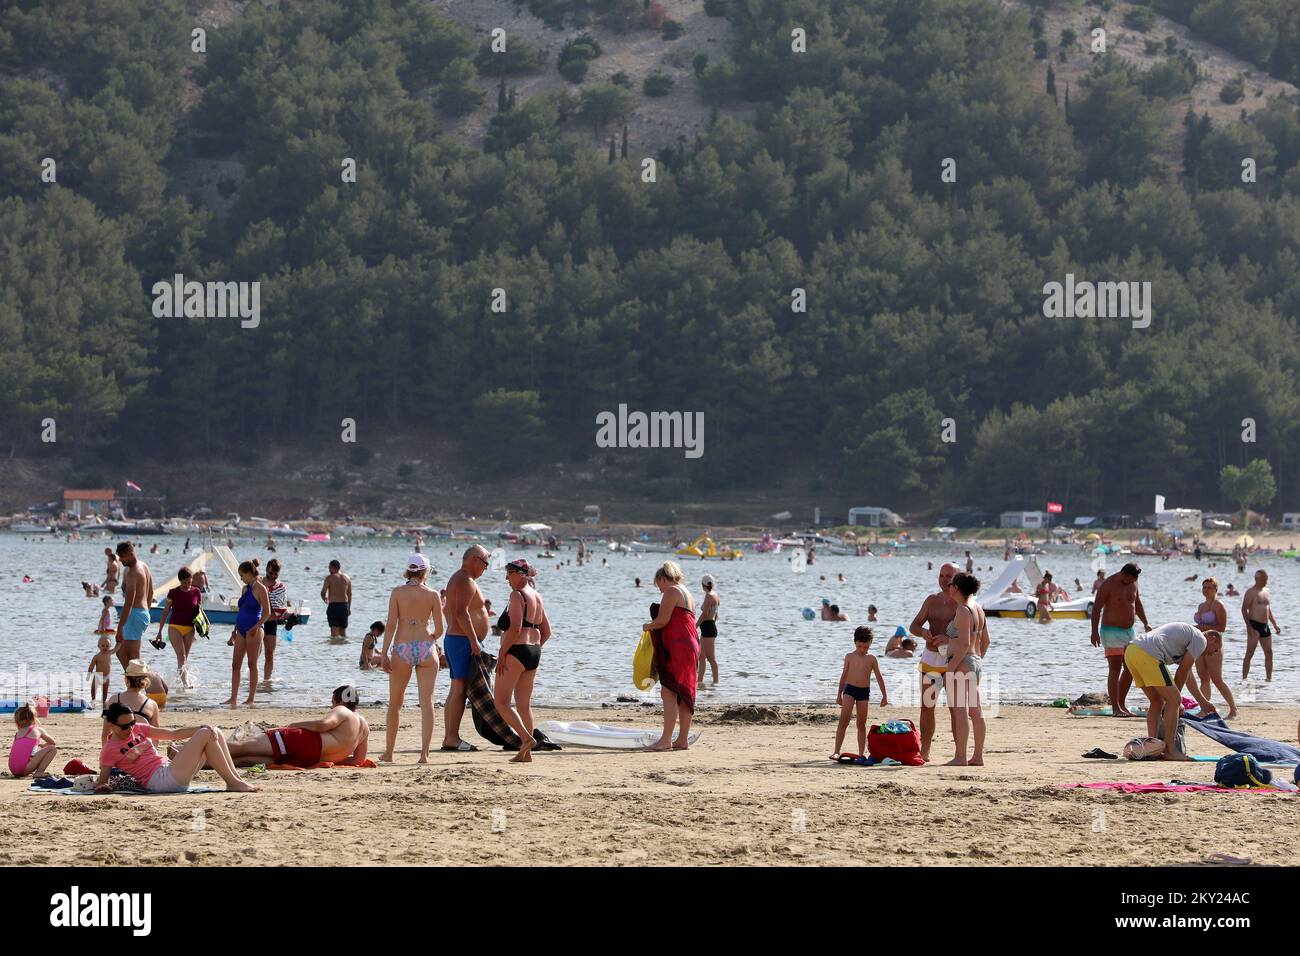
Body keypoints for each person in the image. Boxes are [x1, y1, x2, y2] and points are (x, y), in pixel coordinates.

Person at [96, 701, 256, 793]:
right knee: (206, 733)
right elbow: (103, 781)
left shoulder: (138, 728)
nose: (130, 728)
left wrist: (201, 726)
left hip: (169, 769)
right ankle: (233, 783)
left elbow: (173, 734)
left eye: (131, 723)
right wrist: (102, 786)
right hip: (159, 781)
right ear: (111, 725)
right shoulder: (109, 749)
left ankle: (235, 780)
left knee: (215, 731)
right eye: (125, 726)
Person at [380, 554, 444, 763]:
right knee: (427, 703)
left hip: (402, 647)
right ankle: (424, 754)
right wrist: (430, 640)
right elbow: (440, 629)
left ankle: (389, 753)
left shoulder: (397, 593)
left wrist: (383, 654)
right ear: (426, 572)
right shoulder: (433, 594)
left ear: (408, 571)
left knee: (395, 703)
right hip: (426, 647)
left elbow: (390, 625)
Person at [1123, 624, 1218, 760]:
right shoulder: (1201, 640)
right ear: (1212, 638)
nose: (1213, 653)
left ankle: (1152, 747)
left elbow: (1187, 676)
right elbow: (1182, 672)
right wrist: (1175, 701)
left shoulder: (1188, 640)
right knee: (1173, 701)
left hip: (1131, 652)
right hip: (1148, 653)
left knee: (1157, 702)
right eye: (1216, 650)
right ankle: (1170, 750)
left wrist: (1203, 702)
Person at [227, 686, 370, 768]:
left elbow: (323, 725)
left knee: (243, 746)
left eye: (333, 702)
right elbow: (357, 760)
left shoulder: (342, 710)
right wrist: (328, 759)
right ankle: (209, 762)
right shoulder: (364, 727)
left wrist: (293, 726)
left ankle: (208, 749)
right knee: (243, 760)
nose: (331, 706)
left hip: (304, 742)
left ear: (341, 702)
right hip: (311, 759)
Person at [495, 559, 551, 763]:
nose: (507, 579)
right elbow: (547, 632)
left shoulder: (517, 595)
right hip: (533, 652)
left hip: (516, 651)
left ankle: (526, 739)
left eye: (508, 575)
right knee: (524, 705)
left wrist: (503, 653)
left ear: (519, 574)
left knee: (500, 702)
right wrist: (532, 649)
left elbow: (516, 628)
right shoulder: (537, 596)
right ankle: (526, 754)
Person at [643, 561, 699, 752]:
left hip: (678, 646)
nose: (658, 589)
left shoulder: (671, 591)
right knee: (685, 692)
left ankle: (666, 740)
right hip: (691, 645)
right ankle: (682, 739)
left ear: (662, 578)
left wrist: (647, 626)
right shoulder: (688, 594)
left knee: (668, 691)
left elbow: (662, 620)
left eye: (657, 584)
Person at [440, 544, 491, 752]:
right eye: (485, 563)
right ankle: (452, 737)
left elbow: (448, 611)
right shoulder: (465, 580)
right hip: (462, 641)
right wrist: (473, 640)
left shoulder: (459, 579)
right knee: (459, 690)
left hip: (457, 638)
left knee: (456, 688)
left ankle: (449, 736)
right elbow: (461, 613)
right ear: (474, 560)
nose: (486, 568)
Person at [908, 563, 958, 761]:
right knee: (927, 706)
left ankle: (959, 751)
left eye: (949, 576)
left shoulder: (964, 604)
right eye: (941, 575)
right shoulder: (931, 600)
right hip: (930, 658)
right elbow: (914, 625)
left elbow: (972, 636)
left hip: (953, 659)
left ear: (958, 578)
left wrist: (949, 640)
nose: (944, 580)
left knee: (956, 708)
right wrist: (923, 632)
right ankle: (925, 750)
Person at [1090, 563, 1151, 718]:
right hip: (1111, 632)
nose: (1131, 583)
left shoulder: (1134, 582)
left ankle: (1122, 705)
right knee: (1115, 669)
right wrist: (1094, 632)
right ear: (1123, 574)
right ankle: (1115, 708)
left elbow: (1137, 603)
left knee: (1130, 668)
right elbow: (1096, 607)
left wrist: (1145, 623)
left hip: (1129, 632)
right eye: (1129, 579)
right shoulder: (1108, 584)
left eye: (1134, 580)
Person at [944, 572, 989, 766]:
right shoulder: (978, 608)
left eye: (951, 584)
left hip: (963, 662)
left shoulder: (963, 610)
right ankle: (977, 756)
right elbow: (986, 641)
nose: (948, 586)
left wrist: (950, 669)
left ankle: (961, 757)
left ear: (957, 588)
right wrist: (975, 660)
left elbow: (963, 644)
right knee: (976, 711)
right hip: (975, 661)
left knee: (961, 710)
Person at [831, 627, 887, 759]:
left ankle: (861, 754)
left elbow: (879, 676)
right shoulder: (850, 656)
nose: (862, 650)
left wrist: (884, 695)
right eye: (859, 646)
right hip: (849, 689)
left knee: (861, 723)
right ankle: (836, 751)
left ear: (870, 644)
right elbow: (844, 675)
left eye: (866, 647)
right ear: (855, 643)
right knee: (843, 720)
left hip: (863, 692)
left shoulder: (872, 659)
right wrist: (839, 694)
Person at [224, 560, 269, 708]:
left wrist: (256, 627)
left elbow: (267, 613)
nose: (241, 578)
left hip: (254, 630)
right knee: (235, 664)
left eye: (242, 575)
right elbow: (242, 610)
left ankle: (251, 698)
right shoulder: (245, 589)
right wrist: (234, 630)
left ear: (249, 573)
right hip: (241, 629)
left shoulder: (261, 589)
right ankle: (233, 698)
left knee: (252, 664)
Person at [1193, 578, 1237, 718]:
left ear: (1216, 589)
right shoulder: (1201, 606)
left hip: (1214, 644)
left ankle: (1233, 709)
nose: (1206, 590)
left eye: (1209, 587)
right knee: (1203, 678)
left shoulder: (1218, 605)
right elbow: (1199, 626)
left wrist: (1203, 627)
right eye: (1204, 587)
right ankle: (1204, 709)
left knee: (1217, 679)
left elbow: (1222, 627)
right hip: (1200, 644)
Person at [156, 566, 201, 687]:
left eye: (189, 582)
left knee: (184, 659)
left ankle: (178, 682)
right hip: (174, 627)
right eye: (184, 582)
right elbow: (165, 611)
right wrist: (160, 631)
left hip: (190, 629)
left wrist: (203, 627)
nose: (187, 585)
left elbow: (199, 612)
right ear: (180, 581)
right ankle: (186, 683)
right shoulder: (173, 592)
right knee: (181, 655)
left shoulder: (196, 591)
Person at [113, 541, 154, 671]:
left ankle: (139, 685)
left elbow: (129, 603)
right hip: (142, 613)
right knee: (120, 652)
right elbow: (151, 592)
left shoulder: (132, 573)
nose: (120, 561)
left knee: (134, 659)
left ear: (130, 553)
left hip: (135, 614)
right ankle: (133, 683)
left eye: (122, 558)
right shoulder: (144, 565)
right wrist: (145, 612)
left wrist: (120, 627)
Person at [1241, 569, 1281, 681]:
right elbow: (1244, 609)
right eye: (1264, 579)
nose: (1266, 581)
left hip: (1265, 626)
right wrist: (1248, 627)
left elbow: (1268, 609)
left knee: (1269, 652)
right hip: (1254, 625)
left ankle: (1269, 679)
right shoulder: (1251, 592)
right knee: (1250, 653)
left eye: (1267, 578)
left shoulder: (1266, 591)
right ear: (1257, 578)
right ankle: (1244, 679)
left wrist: (1275, 624)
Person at [261, 558, 290, 688]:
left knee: (270, 652)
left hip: (271, 622)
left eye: (275, 574)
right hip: (258, 621)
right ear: (267, 569)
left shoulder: (280, 587)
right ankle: (253, 675)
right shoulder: (259, 582)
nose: (272, 576)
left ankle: (267, 679)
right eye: (271, 573)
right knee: (256, 651)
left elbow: (281, 606)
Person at [9, 705, 58, 779]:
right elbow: (53, 742)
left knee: (31, 754)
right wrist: (44, 745)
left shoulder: (18, 733)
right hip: (24, 769)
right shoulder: (37, 729)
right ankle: (39, 772)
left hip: (13, 769)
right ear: (34, 718)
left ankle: (28, 769)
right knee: (52, 749)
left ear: (17, 720)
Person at [697, 574, 720, 686]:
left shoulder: (708, 596)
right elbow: (716, 615)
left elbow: (705, 614)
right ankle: (699, 681)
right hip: (709, 627)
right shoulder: (715, 595)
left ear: (703, 585)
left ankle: (716, 682)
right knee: (702, 657)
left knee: (711, 658)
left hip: (708, 628)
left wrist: (695, 625)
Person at [321, 559, 352, 641]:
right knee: (343, 632)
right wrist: (349, 607)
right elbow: (350, 594)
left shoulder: (329, 578)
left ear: (333, 568)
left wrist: (325, 599)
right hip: (344, 606)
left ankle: (335, 651)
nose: (329, 570)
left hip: (333, 606)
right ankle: (342, 650)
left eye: (329, 568)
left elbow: (323, 592)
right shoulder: (347, 578)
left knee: (334, 633)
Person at [87, 637, 114, 704]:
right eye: (103, 646)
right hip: (98, 675)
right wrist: (88, 675)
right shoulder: (96, 656)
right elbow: (91, 666)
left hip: (106, 676)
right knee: (94, 688)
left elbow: (117, 648)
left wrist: (120, 642)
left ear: (110, 646)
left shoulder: (109, 653)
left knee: (105, 691)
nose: (105, 647)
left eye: (107, 646)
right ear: (98, 646)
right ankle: (93, 700)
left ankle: (103, 702)